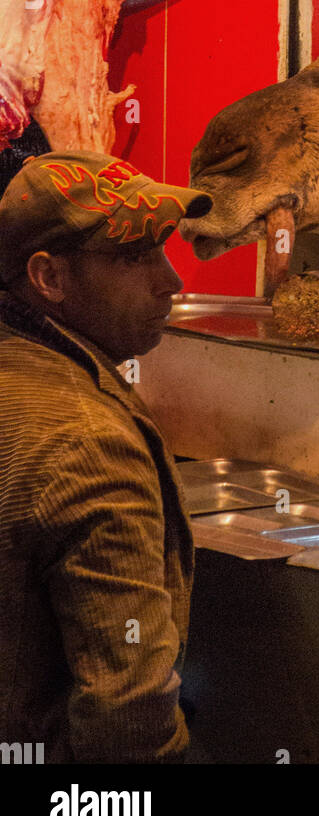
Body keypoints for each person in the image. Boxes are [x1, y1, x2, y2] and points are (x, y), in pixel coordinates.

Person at [0, 151, 212, 762]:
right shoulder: (89, 443)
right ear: (50, 279)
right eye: (134, 256)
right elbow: (128, 711)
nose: (170, 281)